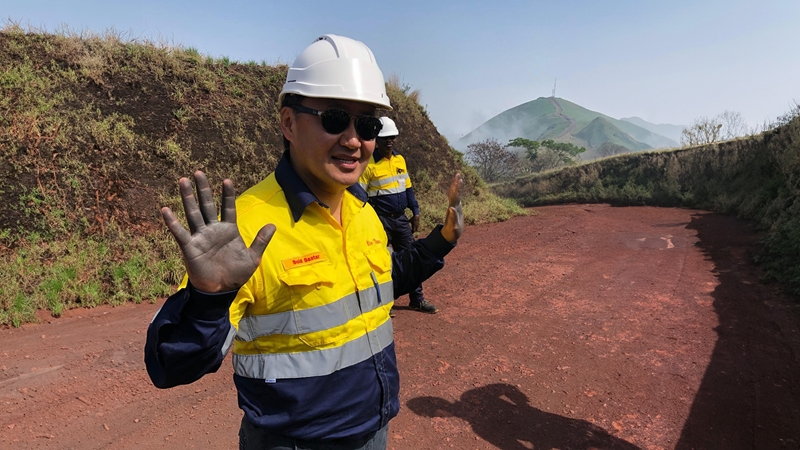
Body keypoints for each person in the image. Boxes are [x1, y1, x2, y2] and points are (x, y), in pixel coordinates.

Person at [144, 34, 464, 450]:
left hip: (373, 430)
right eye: (334, 119)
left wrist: (441, 241)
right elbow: (170, 367)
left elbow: (381, 288)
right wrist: (209, 300)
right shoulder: (249, 229)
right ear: (289, 123)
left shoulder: (361, 209)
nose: (354, 140)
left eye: (367, 124)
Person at [358, 118, 437, 315]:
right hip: (381, 221)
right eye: (385, 138)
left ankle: (417, 299)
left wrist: (415, 212)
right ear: (377, 140)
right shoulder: (368, 165)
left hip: (401, 219)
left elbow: (408, 188)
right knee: (382, 262)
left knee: (411, 258)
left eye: (392, 137)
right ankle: (386, 303)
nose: (389, 141)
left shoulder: (400, 160)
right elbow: (358, 198)